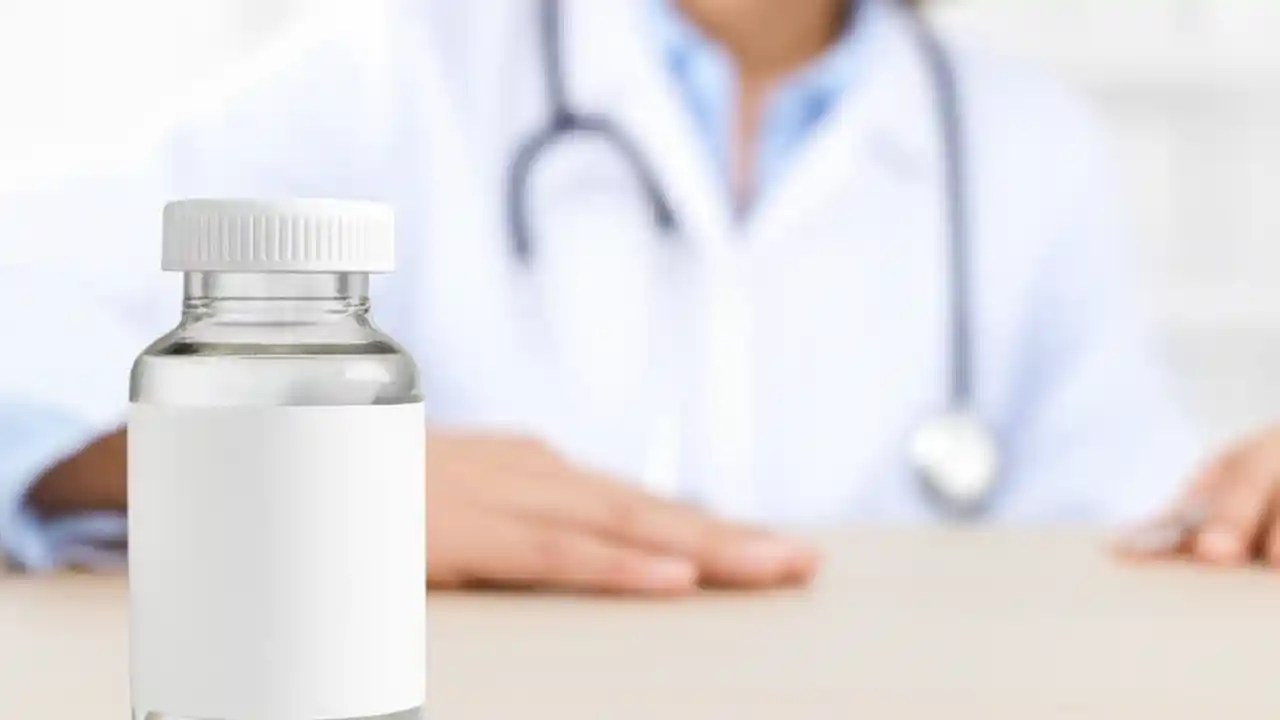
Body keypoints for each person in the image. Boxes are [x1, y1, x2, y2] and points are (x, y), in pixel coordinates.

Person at [1, 0, 1274, 591]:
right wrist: (285, 476)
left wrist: (1238, 512)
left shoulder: (1020, 137)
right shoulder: (397, 67)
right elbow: (23, 325)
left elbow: (1119, 502)